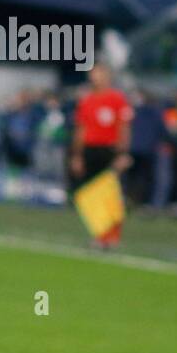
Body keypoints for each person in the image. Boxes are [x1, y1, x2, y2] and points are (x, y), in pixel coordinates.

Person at [70, 64, 132, 247]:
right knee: (89, 195)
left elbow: (124, 127)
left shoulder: (117, 99)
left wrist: (123, 153)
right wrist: (77, 156)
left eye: (97, 74)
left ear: (107, 76)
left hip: (109, 150)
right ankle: (99, 233)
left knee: (110, 194)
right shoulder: (86, 100)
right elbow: (81, 129)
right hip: (90, 150)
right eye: (92, 74)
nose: (94, 78)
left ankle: (112, 235)